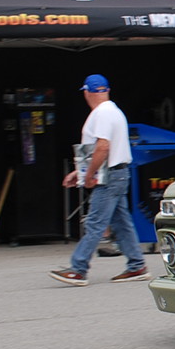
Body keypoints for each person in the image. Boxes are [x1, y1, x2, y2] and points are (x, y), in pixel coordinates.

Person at [49, 74, 151, 287]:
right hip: (119, 172)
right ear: (106, 90)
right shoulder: (114, 111)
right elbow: (105, 149)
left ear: (87, 92)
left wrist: (88, 174)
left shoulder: (101, 114)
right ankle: (137, 265)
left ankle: (78, 269)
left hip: (109, 176)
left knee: (95, 221)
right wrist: (80, 172)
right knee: (121, 222)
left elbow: (102, 147)